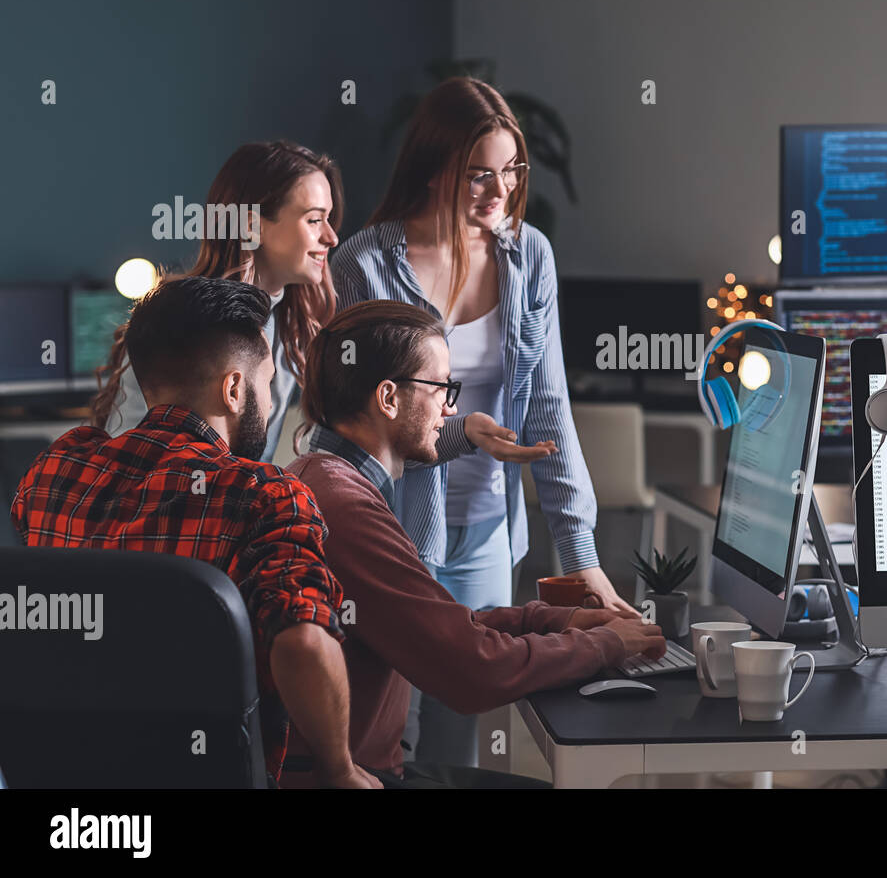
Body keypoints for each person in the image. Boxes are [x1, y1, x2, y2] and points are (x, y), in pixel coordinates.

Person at [330, 78, 635, 764]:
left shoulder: (529, 256)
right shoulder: (365, 264)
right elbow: (354, 423)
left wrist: (579, 558)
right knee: (388, 739)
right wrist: (459, 433)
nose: (499, 192)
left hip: (490, 534)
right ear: (434, 168)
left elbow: (549, 406)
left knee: (458, 741)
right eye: (478, 176)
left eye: (510, 171)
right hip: (392, 538)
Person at [11, 277, 378, 788]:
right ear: (233, 389)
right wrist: (340, 772)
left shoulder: (57, 470)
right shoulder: (264, 494)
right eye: (267, 384)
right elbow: (303, 645)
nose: (270, 405)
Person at [283, 300, 664, 786]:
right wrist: (605, 644)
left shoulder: (328, 480)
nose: (451, 408)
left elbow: (442, 625)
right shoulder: (345, 507)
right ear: (387, 398)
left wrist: (554, 620)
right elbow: (472, 671)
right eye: (441, 387)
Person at [91, 141, 342, 460]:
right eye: (313, 219)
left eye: (329, 218)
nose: (332, 237)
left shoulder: (292, 327)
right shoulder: (177, 319)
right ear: (252, 225)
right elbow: (125, 446)